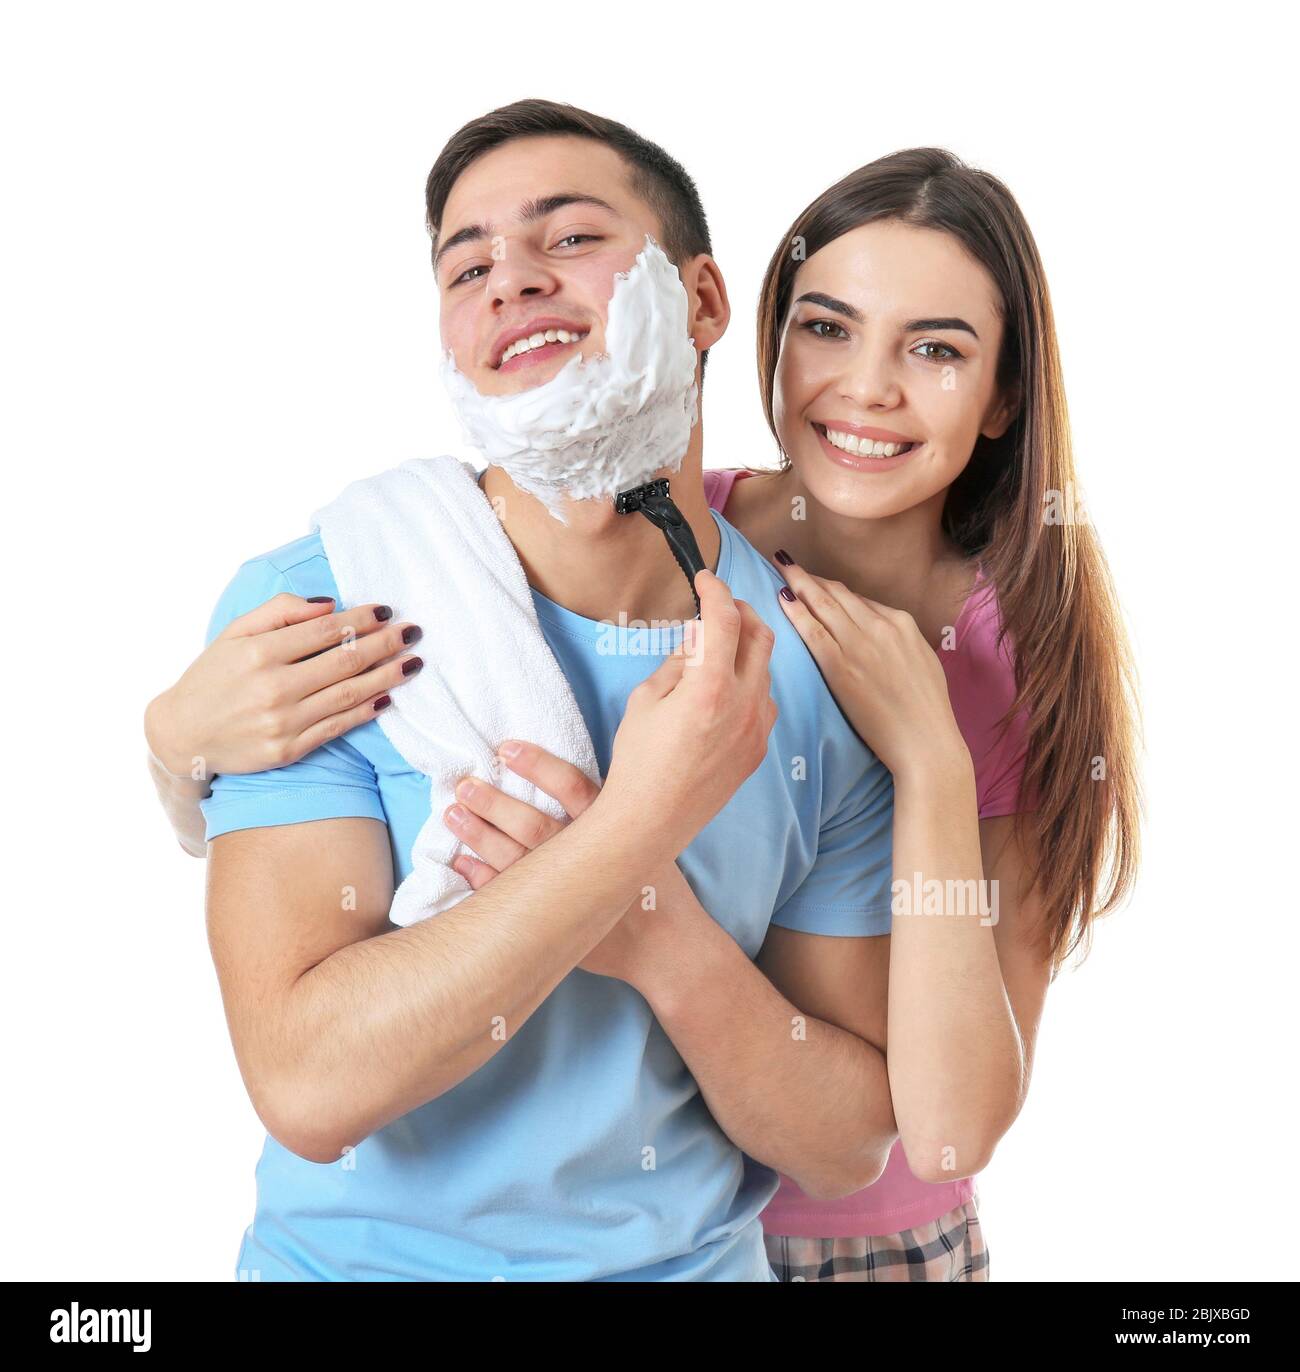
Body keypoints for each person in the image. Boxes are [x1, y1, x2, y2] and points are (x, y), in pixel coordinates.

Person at [146, 99, 902, 1282]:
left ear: (700, 300)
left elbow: (846, 1139)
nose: (511, 281)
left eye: (568, 238)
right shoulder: (327, 614)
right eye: (470, 264)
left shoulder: (817, 656)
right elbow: (308, 1082)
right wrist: (637, 824)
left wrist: (660, 940)